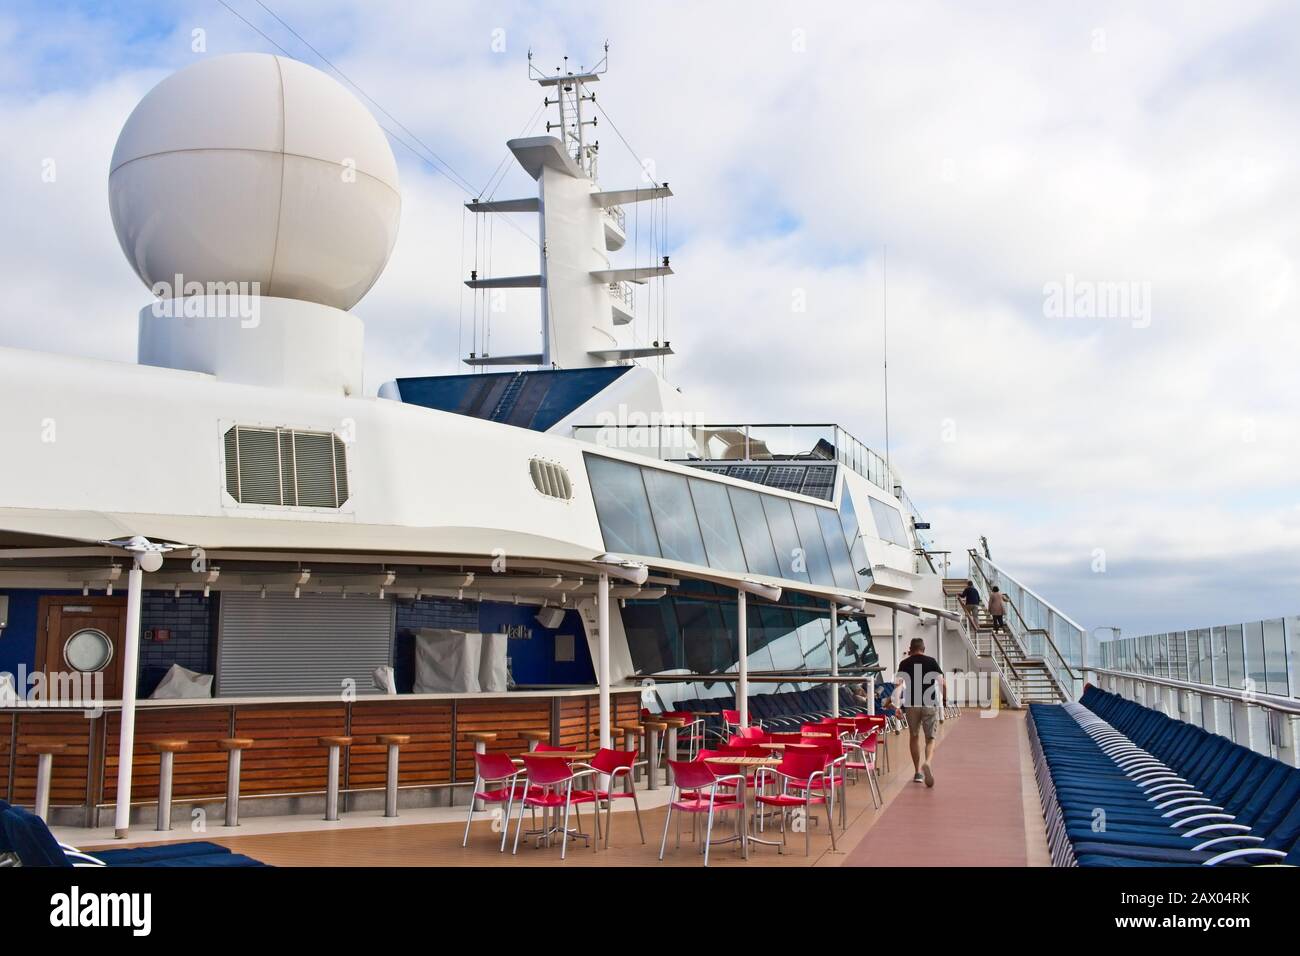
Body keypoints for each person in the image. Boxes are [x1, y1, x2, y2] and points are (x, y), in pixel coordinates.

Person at [894, 637, 945, 787]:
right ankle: (927, 763)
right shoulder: (932, 661)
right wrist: (945, 701)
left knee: (914, 736)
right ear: (923, 648)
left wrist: (898, 706)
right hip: (929, 704)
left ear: (911, 649)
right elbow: (943, 683)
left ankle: (917, 772)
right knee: (930, 739)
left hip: (912, 705)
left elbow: (898, 686)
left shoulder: (905, 663)